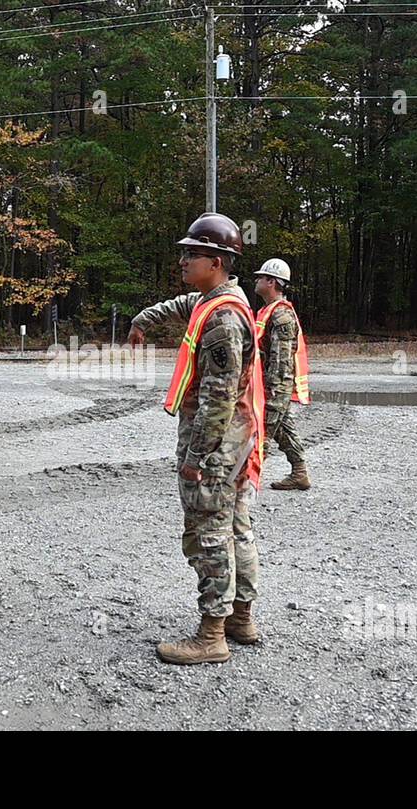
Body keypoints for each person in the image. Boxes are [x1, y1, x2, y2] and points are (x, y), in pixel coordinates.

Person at [127, 213, 266, 664]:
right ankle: (240, 619)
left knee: (208, 532)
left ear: (219, 261)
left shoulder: (223, 320)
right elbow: (180, 304)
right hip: (238, 437)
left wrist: (196, 456)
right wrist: (143, 317)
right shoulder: (216, 300)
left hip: (218, 442)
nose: (184, 260)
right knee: (237, 527)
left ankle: (212, 636)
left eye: (193, 254)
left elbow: (217, 399)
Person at [251, 258, 311, 490]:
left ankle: (246, 480)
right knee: (283, 428)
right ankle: (300, 473)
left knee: (261, 432)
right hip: (269, 384)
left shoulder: (281, 315)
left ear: (272, 282)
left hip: (275, 385)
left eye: (261, 277)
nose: (256, 280)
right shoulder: (268, 311)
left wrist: (272, 390)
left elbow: (281, 359)